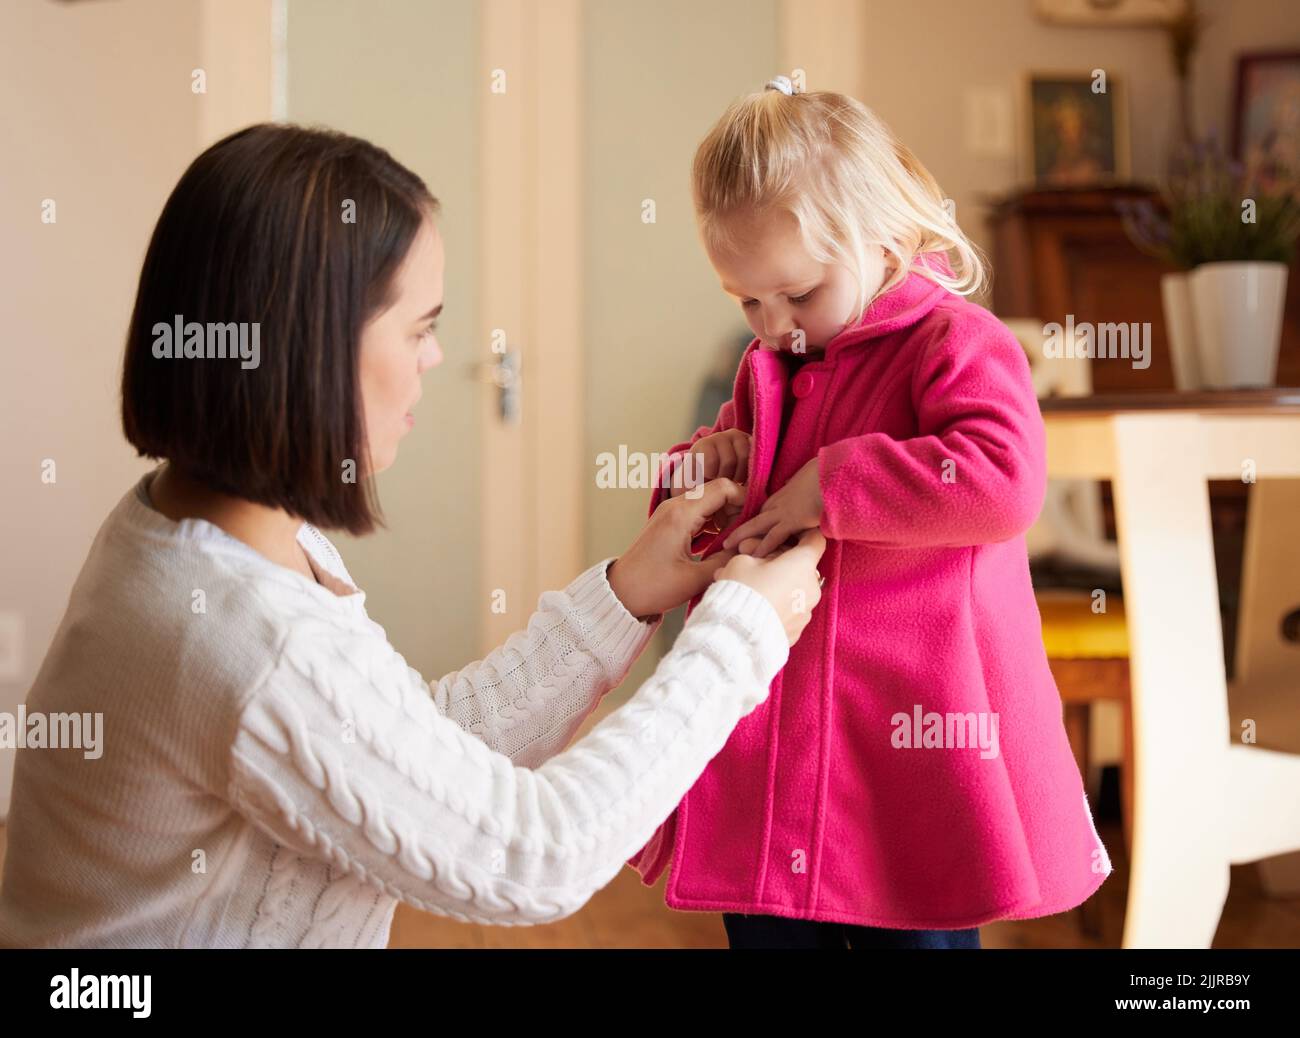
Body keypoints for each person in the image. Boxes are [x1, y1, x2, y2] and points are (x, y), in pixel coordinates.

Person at [0, 123, 826, 948]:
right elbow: (536, 855)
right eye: (419, 327)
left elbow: (407, 759)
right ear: (313, 347)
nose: (434, 358)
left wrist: (624, 596)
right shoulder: (244, 635)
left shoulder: (199, 528)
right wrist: (737, 639)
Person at [625, 78, 1112, 949]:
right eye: (747, 301)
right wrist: (703, 469)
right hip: (776, 741)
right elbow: (717, 522)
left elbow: (1004, 479)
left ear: (880, 238)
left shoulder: (956, 343)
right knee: (767, 921)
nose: (776, 327)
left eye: (800, 294)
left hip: (909, 737)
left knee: (914, 924)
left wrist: (835, 482)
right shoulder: (766, 366)